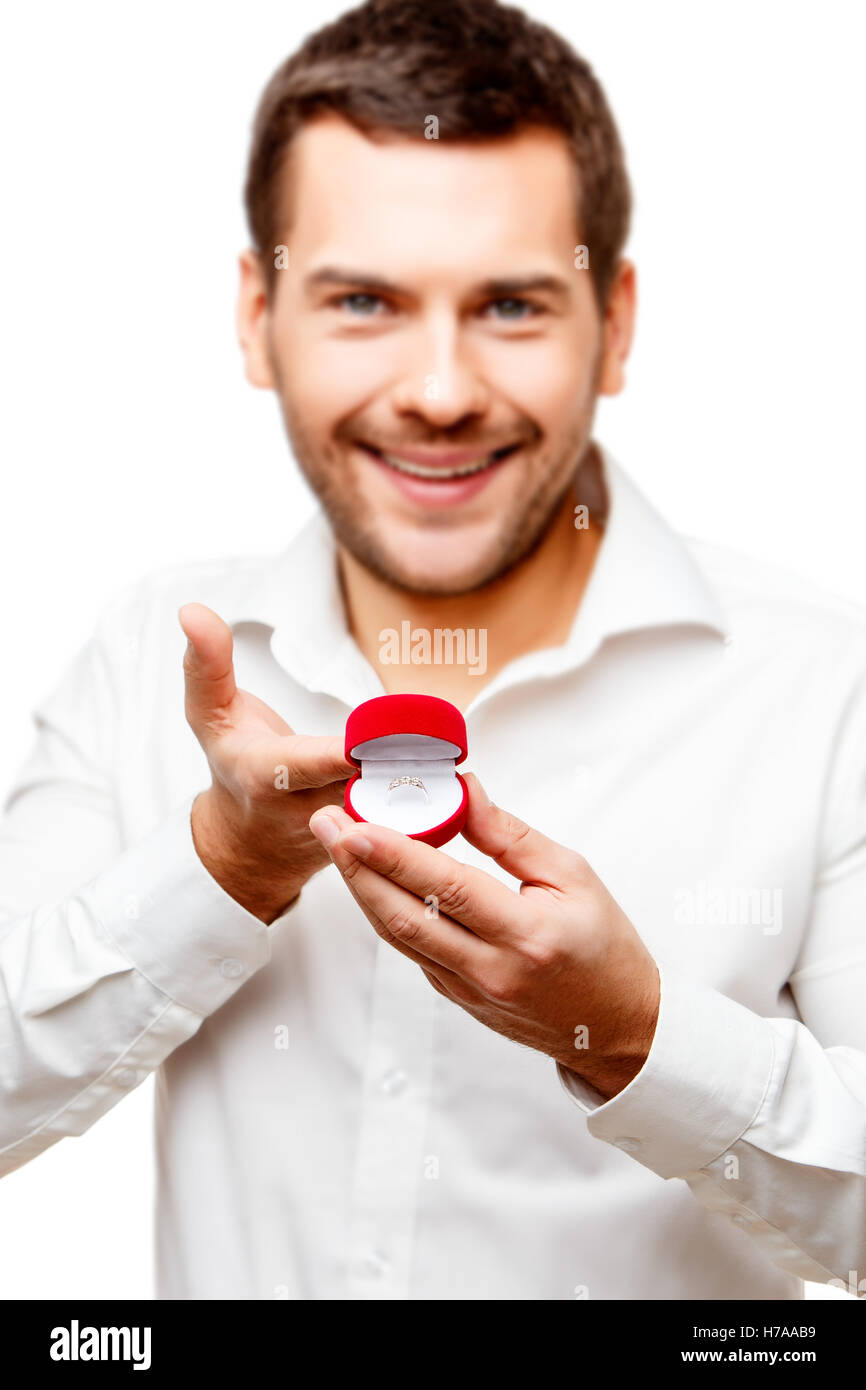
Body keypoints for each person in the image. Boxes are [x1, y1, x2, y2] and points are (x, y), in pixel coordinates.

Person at [2, 0, 865, 1302]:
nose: (441, 389)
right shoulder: (148, 659)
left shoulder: (820, 694)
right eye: (363, 300)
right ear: (257, 314)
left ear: (613, 324)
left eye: (511, 304)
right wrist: (218, 870)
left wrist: (634, 1033)